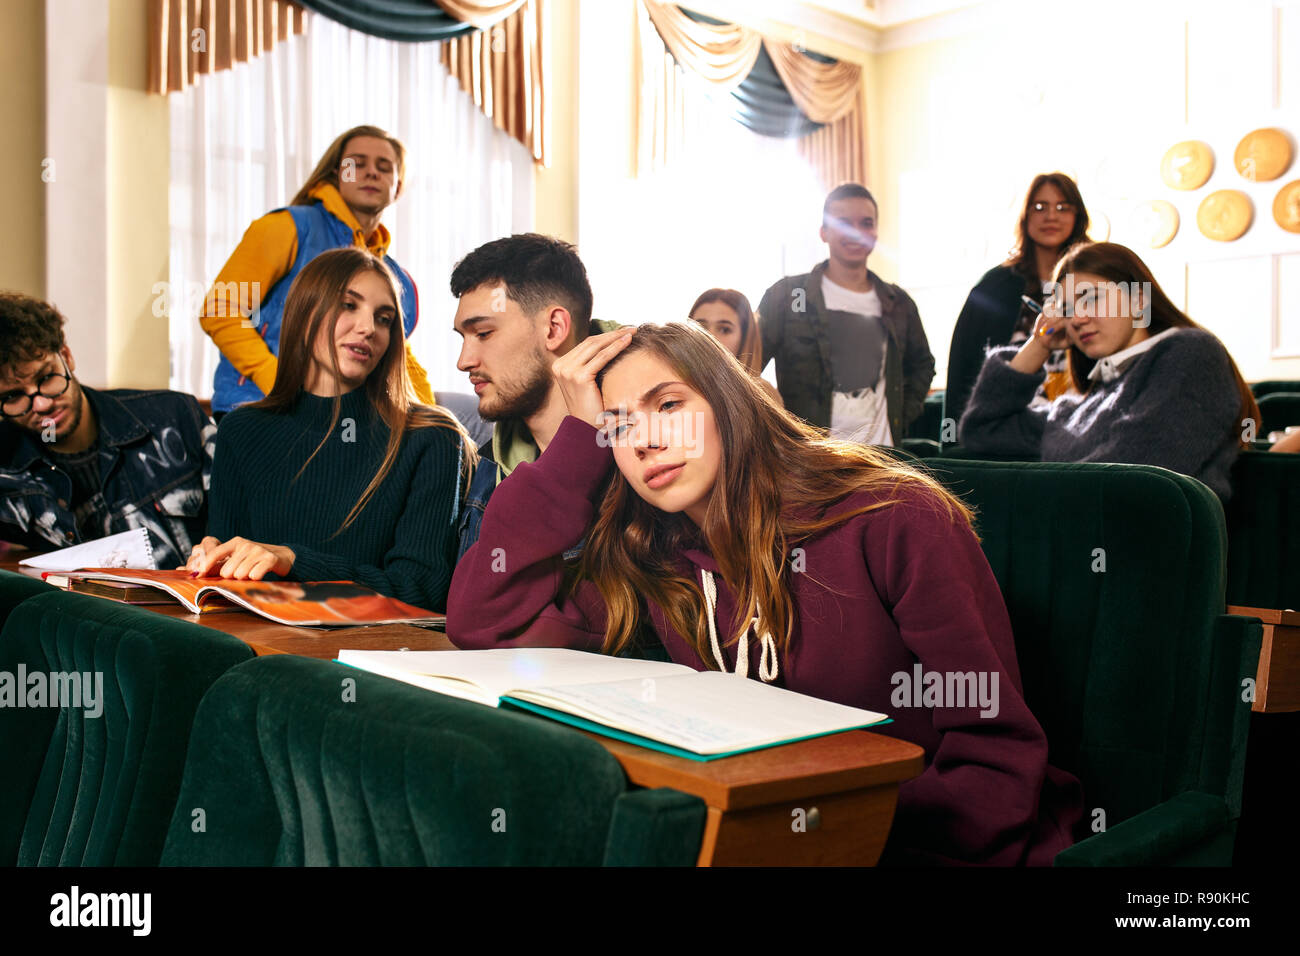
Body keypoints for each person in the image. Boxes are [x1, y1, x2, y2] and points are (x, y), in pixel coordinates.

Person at [448, 321, 1083, 865]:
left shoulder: (896, 519)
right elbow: (485, 623)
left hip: (936, 850)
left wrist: (836, 841)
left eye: (667, 406)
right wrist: (574, 451)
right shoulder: (653, 561)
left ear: (728, 403)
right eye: (615, 427)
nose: (642, 441)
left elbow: (995, 761)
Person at [188, 248, 473, 612]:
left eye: (384, 319)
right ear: (304, 313)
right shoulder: (241, 430)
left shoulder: (431, 438)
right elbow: (228, 583)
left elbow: (420, 591)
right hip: (252, 647)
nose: (369, 328)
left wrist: (293, 561)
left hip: (362, 658)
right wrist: (209, 562)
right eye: (348, 305)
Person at [959, 242, 1259, 500]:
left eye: (1091, 298)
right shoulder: (1084, 403)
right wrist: (1040, 344)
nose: (1077, 318)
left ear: (1139, 301)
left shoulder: (1190, 353)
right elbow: (982, 431)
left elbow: (1129, 478)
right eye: (1066, 308)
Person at [200, 124, 438, 415]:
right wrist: (279, 382)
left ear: (398, 186)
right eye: (356, 164)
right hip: (259, 405)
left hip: (341, 416)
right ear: (337, 173)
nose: (372, 172)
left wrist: (431, 417)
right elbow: (219, 310)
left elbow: (401, 356)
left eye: (384, 167)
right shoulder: (285, 228)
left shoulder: (394, 277)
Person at [0, 292, 214, 569]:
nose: (41, 404)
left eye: (46, 377)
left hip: (198, 607)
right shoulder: (6, 467)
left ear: (66, 355)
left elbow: (245, 526)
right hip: (82, 611)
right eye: (14, 396)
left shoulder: (174, 415)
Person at [450, 233, 621, 561]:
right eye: (463, 337)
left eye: (483, 333)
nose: (463, 361)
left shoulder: (646, 455)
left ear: (554, 328)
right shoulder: (483, 473)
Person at [757, 183, 934, 445]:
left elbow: (922, 365)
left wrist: (899, 415)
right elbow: (745, 366)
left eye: (866, 223)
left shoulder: (899, 303)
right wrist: (776, 421)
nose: (856, 232)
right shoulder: (789, 296)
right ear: (824, 232)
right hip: (812, 459)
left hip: (882, 459)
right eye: (843, 223)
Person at [945, 173, 1092, 429]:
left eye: (1062, 207)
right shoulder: (995, 285)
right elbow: (962, 364)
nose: (1051, 216)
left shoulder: (1101, 282)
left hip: (1084, 427)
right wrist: (951, 438)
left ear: (1077, 216)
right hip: (1009, 429)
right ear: (1025, 217)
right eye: (1039, 207)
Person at [688, 288, 782, 407]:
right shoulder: (669, 384)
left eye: (724, 329)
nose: (710, 337)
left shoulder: (764, 397)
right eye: (700, 327)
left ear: (745, 337)